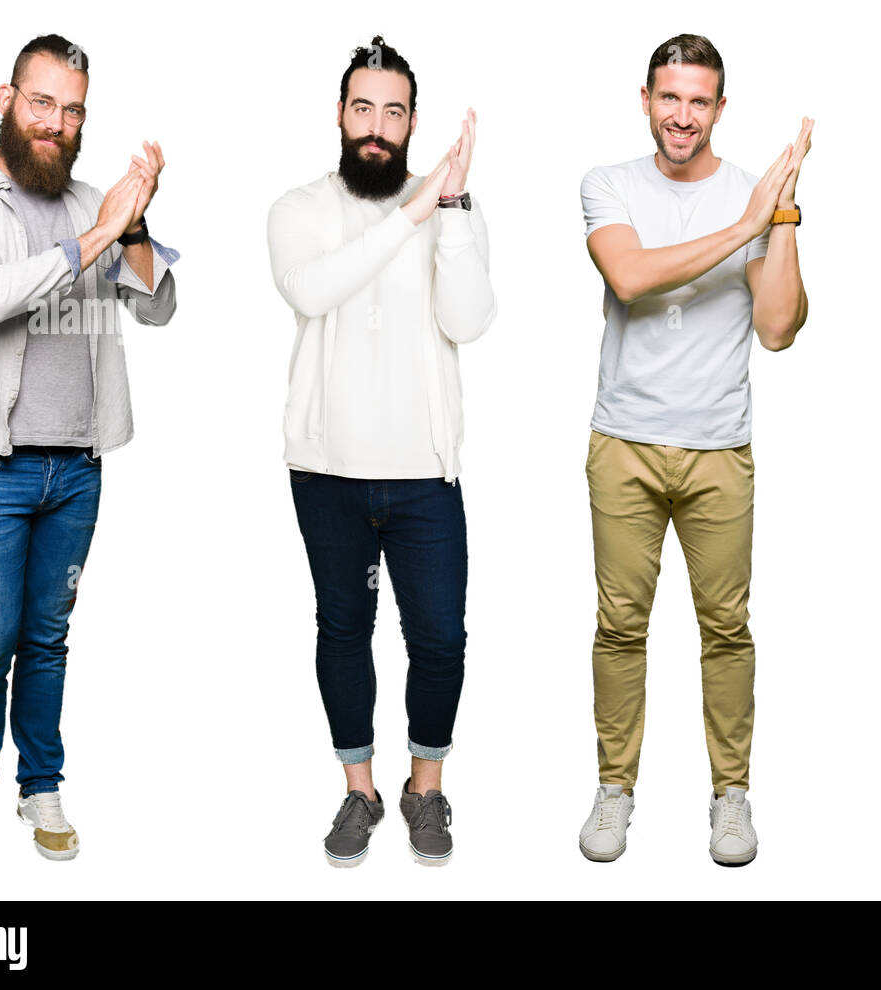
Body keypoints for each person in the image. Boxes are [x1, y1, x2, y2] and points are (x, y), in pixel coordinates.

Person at [0, 34, 179, 867]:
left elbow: (156, 306)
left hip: (76, 470)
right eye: (42, 103)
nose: (56, 124)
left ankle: (42, 784)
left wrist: (131, 223)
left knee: (48, 637)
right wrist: (100, 233)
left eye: (72, 110)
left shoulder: (95, 204)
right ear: (7, 99)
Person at [577, 33, 811, 865]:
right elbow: (632, 277)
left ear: (719, 108)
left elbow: (778, 329)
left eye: (699, 101)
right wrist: (745, 223)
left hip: (718, 447)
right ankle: (614, 789)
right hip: (626, 446)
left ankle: (731, 794)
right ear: (646, 100)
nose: (683, 116)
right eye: (668, 98)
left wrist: (778, 216)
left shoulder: (757, 195)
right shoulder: (609, 184)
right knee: (620, 627)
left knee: (727, 627)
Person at [267, 35, 494, 868]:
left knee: (440, 638)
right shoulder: (300, 209)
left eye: (392, 111)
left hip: (425, 477)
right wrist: (415, 212)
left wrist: (456, 210)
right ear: (339, 114)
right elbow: (312, 289)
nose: (376, 125)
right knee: (343, 628)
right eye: (362, 107)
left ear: (411, 122)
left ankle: (424, 789)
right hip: (328, 476)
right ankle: (358, 790)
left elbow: (468, 321)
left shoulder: (450, 210)